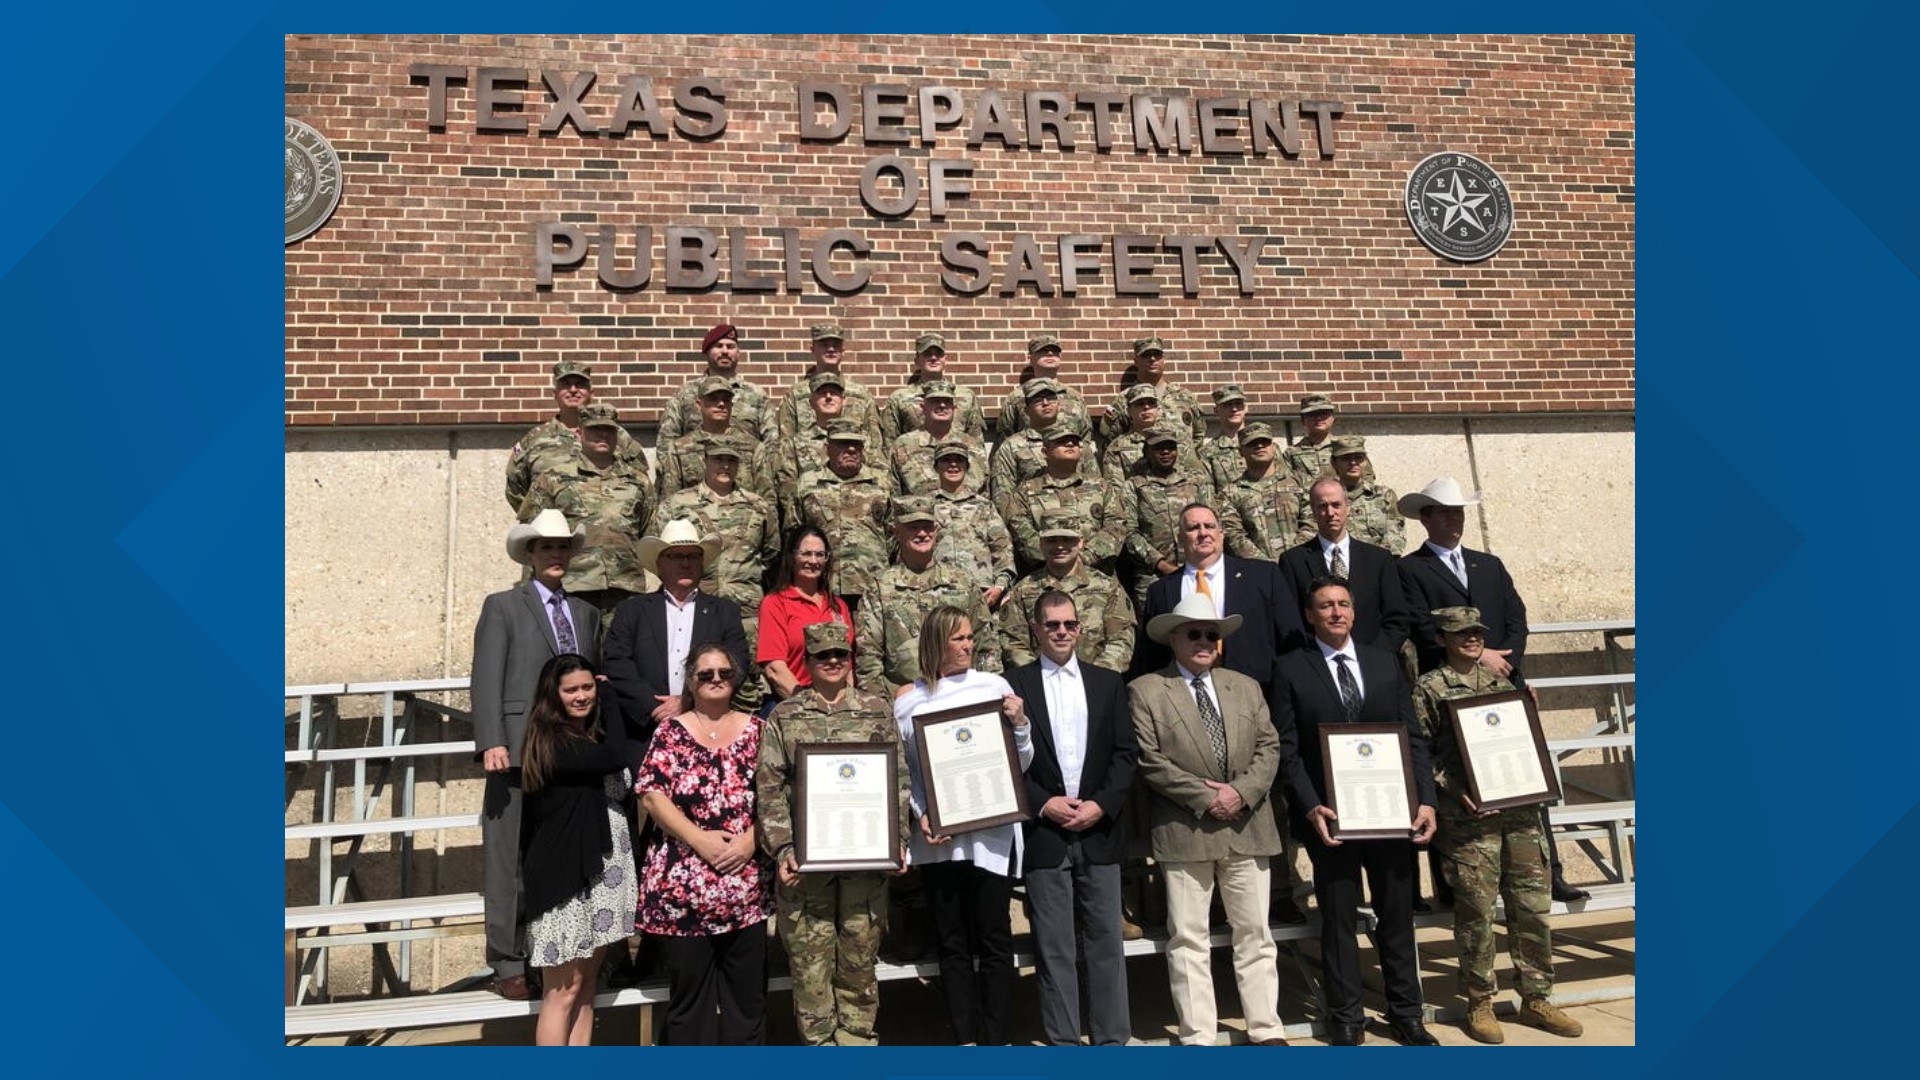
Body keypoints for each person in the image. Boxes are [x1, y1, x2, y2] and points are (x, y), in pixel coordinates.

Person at [1396, 476, 1588, 903]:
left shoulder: (1489, 564)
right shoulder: (1410, 569)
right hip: (1449, 690)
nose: (1454, 519)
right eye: (1445, 512)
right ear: (1425, 518)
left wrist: (1505, 662)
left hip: (1502, 686)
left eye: (1458, 512)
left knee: (1525, 778)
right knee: (1452, 783)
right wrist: (1479, 655)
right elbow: (1420, 626)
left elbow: (1516, 618)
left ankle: (1548, 873)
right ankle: (1452, 884)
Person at [1271, 577, 1440, 1046]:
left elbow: (1412, 737)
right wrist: (1310, 806)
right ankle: (1346, 1016)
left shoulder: (1384, 661)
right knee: (1339, 919)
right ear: (1310, 615)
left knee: (1396, 916)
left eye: (1343, 603)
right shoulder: (1290, 668)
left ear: (1354, 611)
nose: (1336, 612)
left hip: (1390, 814)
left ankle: (1406, 1012)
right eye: (1325, 605)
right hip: (1331, 819)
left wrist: (1425, 799)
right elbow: (1288, 749)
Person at [1412, 607, 1584, 1043]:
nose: (1472, 639)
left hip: (1520, 815)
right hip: (1470, 821)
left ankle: (1537, 998)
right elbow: (1420, 754)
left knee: (1532, 909)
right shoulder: (1429, 688)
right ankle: (1480, 1001)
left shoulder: (1503, 684)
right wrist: (1455, 790)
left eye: (1477, 632)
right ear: (1443, 638)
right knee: (1477, 915)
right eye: (1461, 633)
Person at [1129, 593, 1289, 1047]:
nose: (1204, 641)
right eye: (1194, 633)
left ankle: (1266, 1029)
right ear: (1173, 638)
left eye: (1211, 634)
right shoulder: (1146, 690)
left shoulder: (1246, 686)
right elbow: (1149, 760)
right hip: (1185, 829)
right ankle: (1198, 1034)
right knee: (1188, 937)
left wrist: (1241, 793)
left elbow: (1269, 747)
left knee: (1255, 934)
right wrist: (1207, 797)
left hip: (1246, 825)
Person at [1137, 502, 1308, 921]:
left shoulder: (1263, 576)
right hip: (1186, 723)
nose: (1202, 533)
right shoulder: (1162, 591)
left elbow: (1291, 645)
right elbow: (1149, 660)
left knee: (1265, 805)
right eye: (1192, 527)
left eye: (1209, 525)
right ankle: (1210, 907)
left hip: (1254, 713)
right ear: (1180, 537)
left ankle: (1279, 896)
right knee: (1197, 813)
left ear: (1222, 532)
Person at [757, 623, 911, 1046]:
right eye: (822, 655)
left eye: (840, 654)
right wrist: (783, 848)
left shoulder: (876, 710)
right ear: (807, 662)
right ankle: (820, 1050)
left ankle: (857, 1045)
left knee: (860, 961)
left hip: (866, 861)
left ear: (850, 659)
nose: (832, 661)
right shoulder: (786, 715)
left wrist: (897, 841)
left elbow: (898, 780)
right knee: (811, 966)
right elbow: (769, 787)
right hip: (806, 865)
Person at [470, 509, 602, 1000]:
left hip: (569, 755)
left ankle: (558, 953)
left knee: (560, 859)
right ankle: (508, 961)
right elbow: (486, 675)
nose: (555, 555)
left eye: (562, 546)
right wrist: (492, 740)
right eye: (546, 546)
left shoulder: (586, 614)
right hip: (516, 751)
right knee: (508, 860)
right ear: (530, 554)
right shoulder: (503, 606)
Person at [894, 606, 1034, 1044]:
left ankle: (998, 1038)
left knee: (995, 938)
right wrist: (921, 812)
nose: (968, 645)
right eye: (958, 638)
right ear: (936, 643)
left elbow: (1021, 763)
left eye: (970, 637)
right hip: (939, 842)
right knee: (951, 942)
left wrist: (1021, 724)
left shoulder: (995, 687)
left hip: (991, 837)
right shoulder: (909, 701)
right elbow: (907, 773)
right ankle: (966, 1039)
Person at [1007, 590, 1137, 1046]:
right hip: (1045, 831)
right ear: (1035, 630)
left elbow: (1125, 754)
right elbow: (1006, 761)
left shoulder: (1108, 683)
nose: (1061, 632)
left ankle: (1111, 1042)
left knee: (1106, 942)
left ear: (1080, 629)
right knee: (1054, 947)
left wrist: (1101, 804)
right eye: (1052, 624)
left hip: (1099, 829)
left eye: (1069, 624)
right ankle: (1064, 1044)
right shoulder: (1013, 685)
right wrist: (1044, 803)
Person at [635, 643, 776, 1044]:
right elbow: (652, 795)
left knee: (747, 1003)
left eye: (724, 673)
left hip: (745, 889)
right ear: (691, 681)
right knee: (689, 1004)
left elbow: (779, 794)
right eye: (706, 674)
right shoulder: (670, 732)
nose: (716, 680)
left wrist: (750, 841)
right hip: (685, 892)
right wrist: (700, 840)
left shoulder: (759, 731)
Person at [518, 653, 638, 1045]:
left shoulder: (591, 737)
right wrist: (612, 699)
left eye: (588, 687)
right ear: (553, 694)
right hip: (567, 879)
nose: (582, 696)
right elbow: (616, 756)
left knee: (586, 987)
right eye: (571, 690)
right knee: (562, 992)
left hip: (604, 875)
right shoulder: (551, 740)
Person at [602, 520, 749, 743]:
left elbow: (737, 664)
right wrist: (655, 707)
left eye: (692, 556)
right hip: (645, 731)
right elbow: (617, 663)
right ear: (659, 564)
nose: (685, 563)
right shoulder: (632, 611)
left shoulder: (725, 612)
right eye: (675, 556)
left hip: (707, 727)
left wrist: (687, 702)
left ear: (701, 563)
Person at [517, 400, 658, 633]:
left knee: (621, 653)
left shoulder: (639, 481)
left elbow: (650, 535)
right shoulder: (552, 479)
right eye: (595, 429)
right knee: (575, 654)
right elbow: (533, 537)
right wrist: (531, 590)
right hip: (572, 588)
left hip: (625, 589)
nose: (603, 434)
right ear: (580, 433)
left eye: (609, 429)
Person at [855, 496, 1000, 697]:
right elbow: (868, 657)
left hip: (963, 696)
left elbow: (986, 644)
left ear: (936, 530)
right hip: (906, 699)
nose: (922, 533)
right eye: (913, 527)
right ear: (896, 531)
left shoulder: (963, 582)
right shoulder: (880, 588)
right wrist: (884, 703)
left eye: (927, 526)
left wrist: (989, 693)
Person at [1280, 477, 1411, 654]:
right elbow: (1290, 620)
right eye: (1322, 506)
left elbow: (1397, 617)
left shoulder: (1378, 559)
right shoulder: (1293, 561)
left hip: (1373, 658)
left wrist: (1374, 657)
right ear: (1313, 512)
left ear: (1347, 508)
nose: (1330, 512)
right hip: (1317, 660)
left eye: (1336, 505)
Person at [999, 511, 1135, 671]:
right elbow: (1013, 644)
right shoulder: (1022, 591)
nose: (1059, 546)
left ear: (1080, 542)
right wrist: (1039, 677)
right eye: (1052, 540)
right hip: (1041, 680)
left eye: (1067, 540)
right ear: (1041, 544)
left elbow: (1121, 639)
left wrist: (1095, 677)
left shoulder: (1107, 588)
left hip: (1095, 680)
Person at [504, 360, 645, 511]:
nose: (573, 390)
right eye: (565, 384)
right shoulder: (534, 440)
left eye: (580, 384)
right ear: (555, 394)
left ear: (591, 393)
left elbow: (640, 483)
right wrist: (539, 517)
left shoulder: (617, 436)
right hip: (553, 524)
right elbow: (515, 489)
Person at [792, 418, 894, 612]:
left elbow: (894, 537)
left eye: (856, 444)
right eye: (843, 444)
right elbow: (794, 533)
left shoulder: (881, 483)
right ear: (827, 448)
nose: (851, 449)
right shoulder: (808, 483)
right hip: (821, 588)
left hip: (871, 588)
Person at [1005, 415, 1127, 576]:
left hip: (1097, 577)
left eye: (1074, 442)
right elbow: (1021, 533)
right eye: (1061, 441)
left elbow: (1116, 526)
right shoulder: (1025, 492)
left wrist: (1084, 557)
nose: (1070, 444)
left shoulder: (1101, 487)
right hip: (1044, 578)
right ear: (1045, 451)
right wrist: (1058, 560)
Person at [1117, 424, 1216, 608]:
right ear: (1146, 452)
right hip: (1152, 575)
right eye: (1158, 448)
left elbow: (1212, 524)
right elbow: (1129, 532)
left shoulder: (1196, 482)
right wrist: (1161, 564)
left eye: (1170, 447)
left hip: (1197, 571)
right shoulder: (1134, 486)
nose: (1165, 452)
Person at [756, 526, 855, 708]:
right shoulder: (775, 603)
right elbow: (775, 669)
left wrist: (847, 704)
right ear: (792, 557)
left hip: (840, 706)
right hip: (796, 704)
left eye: (820, 554)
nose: (813, 560)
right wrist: (811, 707)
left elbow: (848, 664)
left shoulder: (839, 606)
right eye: (806, 554)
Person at [925, 442, 1016, 612]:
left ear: (967, 467)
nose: (953, 465)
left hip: (980, 595)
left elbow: (1002, 548)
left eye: (959, 460)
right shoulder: (926, 506)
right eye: (946, 460)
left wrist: (1000, 586)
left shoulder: (984, 506)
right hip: (937, 592)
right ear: (936, 467)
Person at [655, 375, 775, 501]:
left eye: (726, 400)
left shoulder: (753, 447)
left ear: (731, 405)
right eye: (713, 399)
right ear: (699, 405)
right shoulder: (680, 449)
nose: (721, 404)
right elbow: (669, 499)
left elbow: (767, 500)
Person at [657, 322, 778, 445]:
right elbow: (666, 441)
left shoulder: (756, 395)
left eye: (730, 347)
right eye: (719, 346)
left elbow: (772, 442)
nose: (725, 351)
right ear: (707, 351)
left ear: (738, 353)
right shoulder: (686, 393)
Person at [774, 321, 886, 445]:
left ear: (843, 350)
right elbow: (785, 442)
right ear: (812, 349)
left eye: (836, 345)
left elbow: (875, 442)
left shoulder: (861, 394)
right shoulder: (796, 394)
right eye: (824, 345)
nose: (831, 349)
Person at [1218, 422, 1314, 561]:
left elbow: (1313, 522)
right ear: (1240, 451)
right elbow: (1233, 536)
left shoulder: (1301, 482)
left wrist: (1292, 558)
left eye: (1265, 441)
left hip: (1301, 561)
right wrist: (1265, 564)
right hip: (1258, 568)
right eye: (1252, 443)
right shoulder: (1229, 494)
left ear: (1274, 447)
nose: (1259, 446)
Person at [882, 332, 988, 441]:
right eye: (927, 354)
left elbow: (976, 441)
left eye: (939, 354)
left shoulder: (966, 396)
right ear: (917, 360)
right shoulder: (899, 398)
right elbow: (890, 442)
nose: (933, 358)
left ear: (945, 359)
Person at [889, 381, 989, 496]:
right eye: (935, 401)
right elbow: (893, 491)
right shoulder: (903, 446)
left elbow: (984, 492)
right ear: (923, 407)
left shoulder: (972, 446)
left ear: (954, 408)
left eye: (947, 402)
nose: (942, 405)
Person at [1101, 336, 1205, 443]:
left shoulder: (1185, 397)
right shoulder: (1124, 400)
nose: (1152, 359)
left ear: (1163, 360)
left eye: (1157, 354)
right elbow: (1110, 442)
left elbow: (1199, 436)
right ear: (1136, 361)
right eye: (1146, 355)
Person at [996, 332, 1092, 440]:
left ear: (1060, 357)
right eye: (1042, 350)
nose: (1050, 353)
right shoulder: (1017, 397)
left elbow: (1085, 436)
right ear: (1030, 358)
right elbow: (1005, 438)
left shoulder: (1075, 397)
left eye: (1055, 351)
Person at [987, 378, 1066, 508]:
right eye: (1037, 400)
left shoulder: (1073, 443)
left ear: (1059, 405)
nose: (1045, 403)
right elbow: (1002, 497)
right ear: (1026, 410)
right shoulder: (1011, 447)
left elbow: (1093, 486)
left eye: (1050, 398)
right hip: (1029, 516)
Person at [1322, 435, 1405, 553]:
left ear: (1365, 461)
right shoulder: (1324, 497)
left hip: (1378, 561)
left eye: (1359, 458)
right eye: (1346, 458)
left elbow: (1395, 535)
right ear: (1334, 463)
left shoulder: (1384, 496)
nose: (1353, 463)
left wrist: (1378, 560)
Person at [1199, 383, 1252, 489]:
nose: (1234, 409)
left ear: (1246, 408)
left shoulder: (1263, 445)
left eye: (1238, 403)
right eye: (1228, 405)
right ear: (1216, 411)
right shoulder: (1207, 453)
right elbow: (1208, 493)